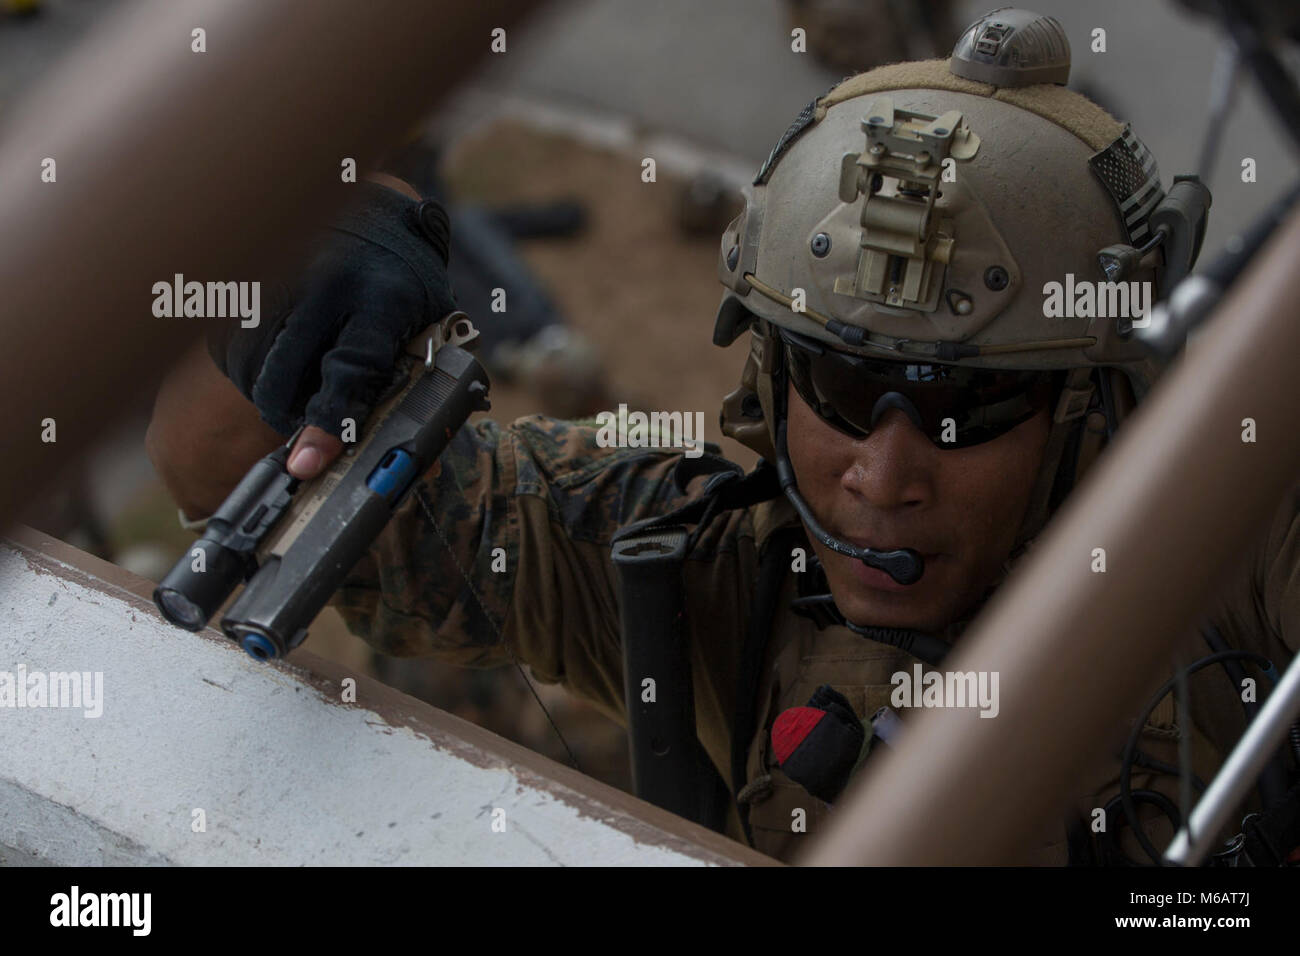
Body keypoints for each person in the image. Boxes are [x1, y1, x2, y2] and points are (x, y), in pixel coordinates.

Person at [146, 10, 1299, 865]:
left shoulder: (1217, 561)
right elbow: (225, 474)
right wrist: (291, 281)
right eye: (844, 390)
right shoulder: (707, 562)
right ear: (766, 377)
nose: (883, 477)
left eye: (965, 410)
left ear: (1086, 408)